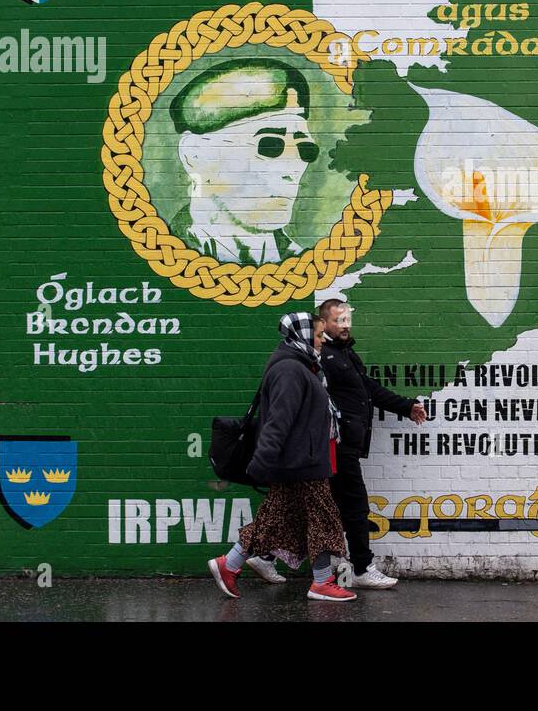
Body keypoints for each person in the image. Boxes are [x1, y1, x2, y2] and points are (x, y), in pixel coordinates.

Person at [208, 311, 356, 602]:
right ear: (300, 336)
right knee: (324, 520)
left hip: (301, 461)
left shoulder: (301, 367)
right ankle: (322, 582)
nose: (321, 341)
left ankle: (230, 564)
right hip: (301, 463)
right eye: (316, 335)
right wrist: (262, 462)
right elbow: (278, 420)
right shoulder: (290, 370)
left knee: (275, 521)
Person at [317, 298, 427, 589]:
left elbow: (368, 389)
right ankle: (363, 567)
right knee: (354, 505)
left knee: (317, 504)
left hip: (345, 443)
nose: (345, 325)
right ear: (324, 323)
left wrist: (406, 406)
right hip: (337, 445)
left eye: (347, 320)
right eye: (339, 321)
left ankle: (261, 554)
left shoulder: (344, 353)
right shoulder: (323, 356)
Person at [169, 58, 320, 266]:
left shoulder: (307, 266)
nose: (291, 169)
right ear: (195, 154)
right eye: (270, 146)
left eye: (305, 150)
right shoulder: (166, 250)